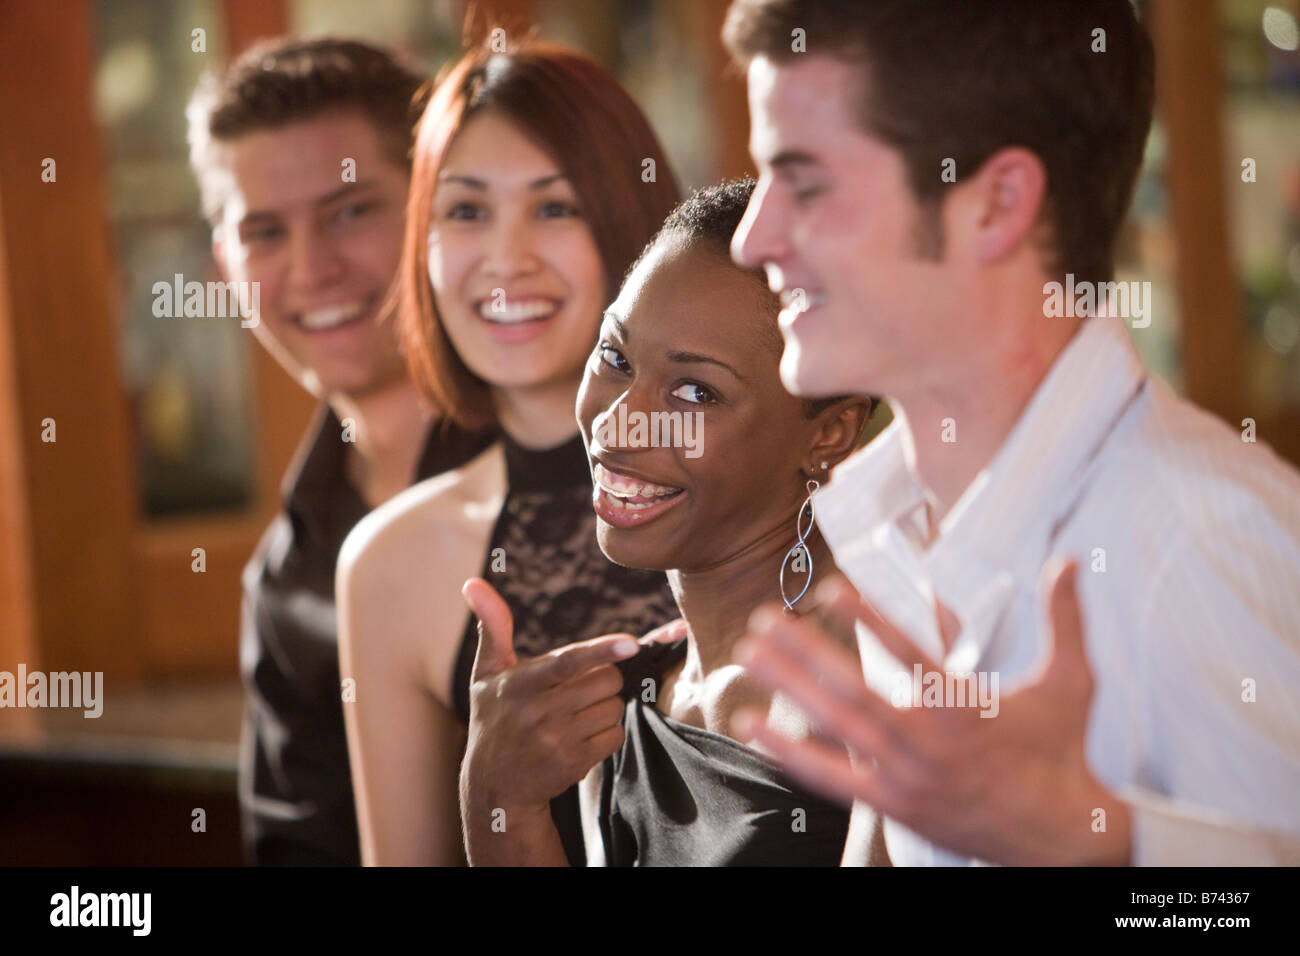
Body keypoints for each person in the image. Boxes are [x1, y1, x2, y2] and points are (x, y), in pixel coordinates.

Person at [722, 0, 1300, 865]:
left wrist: (1091, 843)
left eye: (805, 184)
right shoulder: (892, 524)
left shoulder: (1203, 535)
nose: (750, 239)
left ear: (997, 204)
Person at [458, 179, 877, 866]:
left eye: (694, 392)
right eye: (616, 358)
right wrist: (498, 800)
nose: (617, 423)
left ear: (828, 433)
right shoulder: (630, 698)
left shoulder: (869, 684)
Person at [336, 40, 682, 866]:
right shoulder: (388, 564)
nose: (505, 259)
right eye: (465, 212)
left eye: (554, 207)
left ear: (634, 225)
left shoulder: (792, 484)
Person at [186, 37, 493, 865]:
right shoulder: (284, 578)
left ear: (434, 206)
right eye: (264, 232)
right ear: (225, 263)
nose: (312, 269)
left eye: (350, 212)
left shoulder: (579, 469)